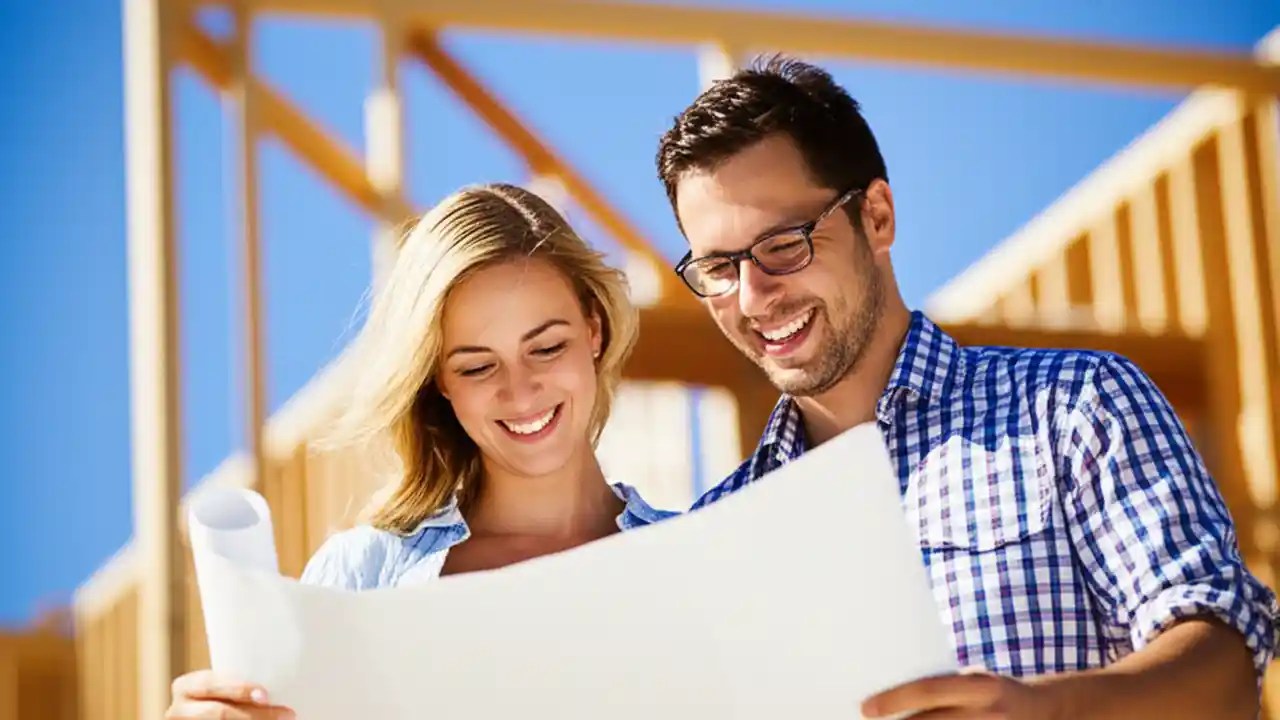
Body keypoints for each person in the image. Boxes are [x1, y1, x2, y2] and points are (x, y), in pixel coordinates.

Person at [656, 56, 1277, 718]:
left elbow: (1226, 667)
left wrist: (1041, 711)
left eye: (784, 245)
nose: (753, 297)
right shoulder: (714, 534)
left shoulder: (1074, 407)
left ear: (877, 217)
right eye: (719, 267)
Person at [165, 183, 674, 720]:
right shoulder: (363, 578)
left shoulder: (687, 556)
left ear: (593, 330)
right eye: (477, 366)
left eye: (546, 348)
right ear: (439, 381)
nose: (520, 391)